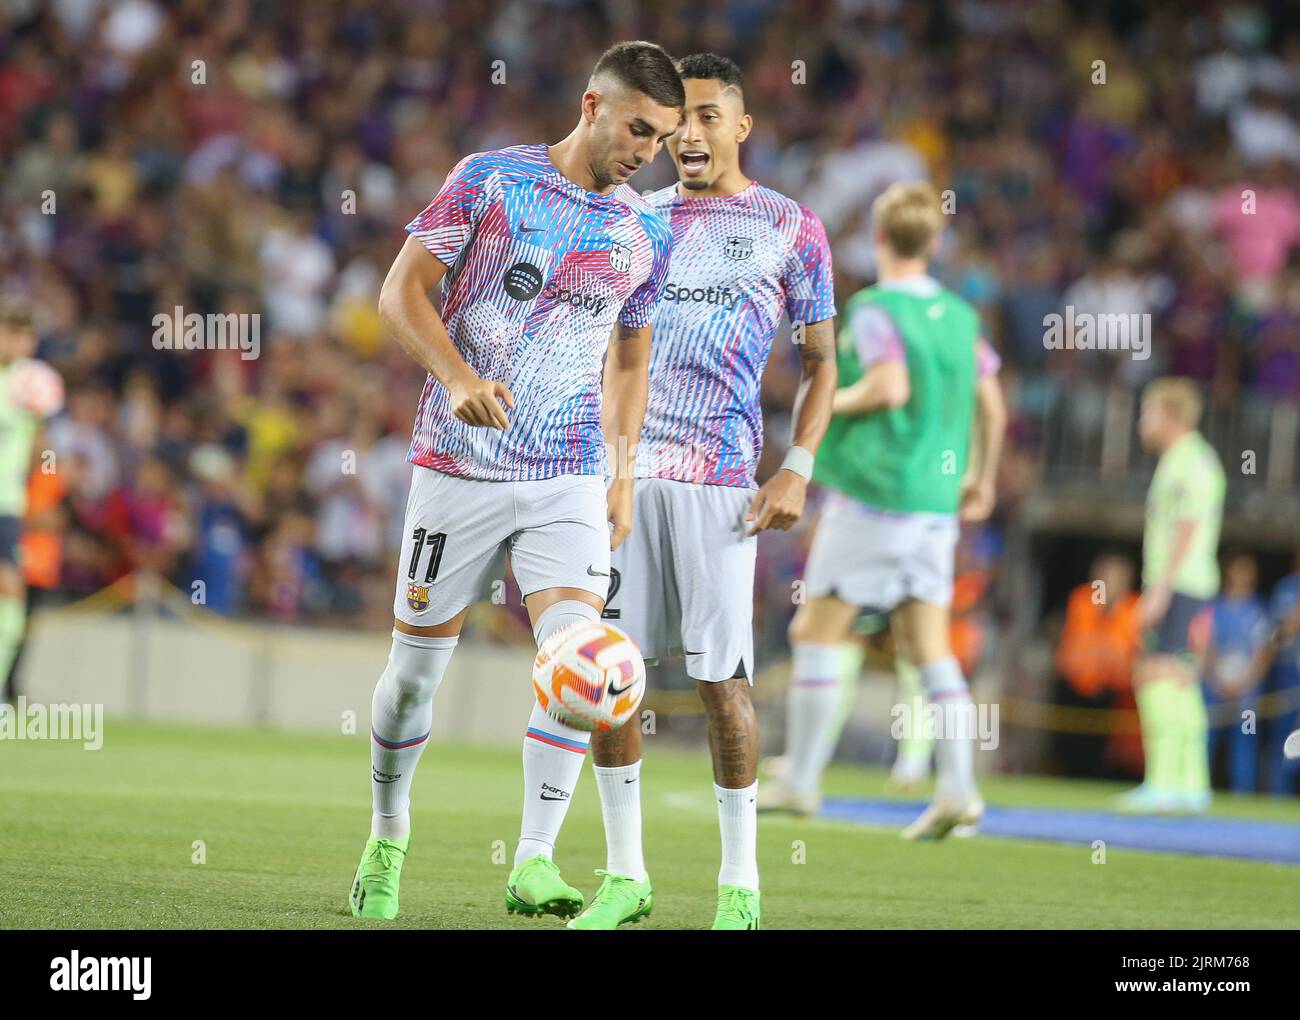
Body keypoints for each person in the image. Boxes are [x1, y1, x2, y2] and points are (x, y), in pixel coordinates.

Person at [347, 41, 682, 921]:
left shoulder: (646, 228)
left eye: (662, 138)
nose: (648, 151)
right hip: (457, 468)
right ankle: (387, 836)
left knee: (582, 660)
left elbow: (631, 358)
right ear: (592, 107)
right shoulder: (493, 181)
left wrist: (621, 473)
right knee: (415, 676)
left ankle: (533, 858)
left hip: (567, 470)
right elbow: (400, 293)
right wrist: (458, 379)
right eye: (639, 129)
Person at [565, 54, 836, 931]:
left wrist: (798, 461)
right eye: (679, 119)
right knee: (611, 680)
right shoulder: (632, 216)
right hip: (624, 479)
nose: (690, 134)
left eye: (710, 117)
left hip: (723, 483)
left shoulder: (791, 227)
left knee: (723, 684)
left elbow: (822, 362)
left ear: (742, 126)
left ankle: (741, 887)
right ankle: (626, 876)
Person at [759, 182, 1006, 841]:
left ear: (877, 236)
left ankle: (802, 780)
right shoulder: (960, 316)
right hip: (935, 506)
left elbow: (888, 385)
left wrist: (824, 407)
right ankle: (958, 788)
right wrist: (979, 479)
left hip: (875, 496)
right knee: (931, 649)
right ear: (935, 241)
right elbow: (993, 407)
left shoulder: (873, 308)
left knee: (816, 632)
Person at [1120, 377, 1225, 813]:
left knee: (1156, 675)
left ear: (1171, 416)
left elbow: (1187, 526)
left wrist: (1160, 589)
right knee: (1181, 681)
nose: (1142, 421)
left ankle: (1164, 782)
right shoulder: (1191, 459)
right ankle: (1191, 784)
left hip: (1180, 583)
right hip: (1190, 583)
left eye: (1148, 412)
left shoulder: (1189, 461)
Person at [1203, 551, 1272, 793]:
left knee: (1245, 743)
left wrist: (1246, 683)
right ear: (1228, 571)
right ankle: (1196, 789)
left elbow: (1263, 652)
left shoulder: (1259, 610)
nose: (1243, 575)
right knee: (1205, 740)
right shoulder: (1214, 607)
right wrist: (1217, 680)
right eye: (1238, 568)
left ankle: (1243, 794)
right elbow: (1206, 646)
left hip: (1247, 693)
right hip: (1214, 687)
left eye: (1248, 569)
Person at [1266, 549, 1300, 794]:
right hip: (1290, 673)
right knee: (1285, 738)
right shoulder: (1287, 588)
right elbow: (1279, 633)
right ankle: (1279, 796)